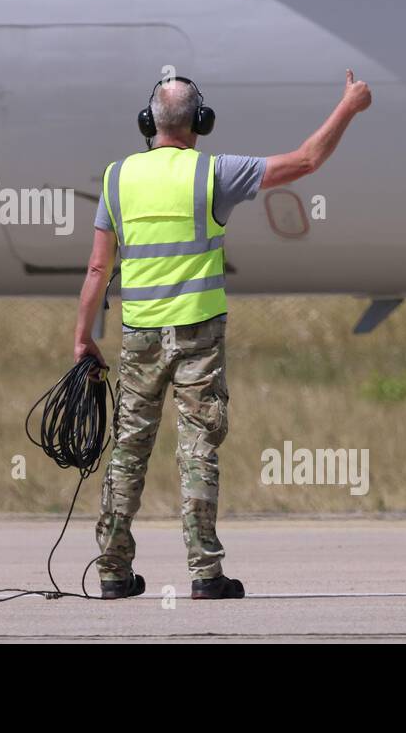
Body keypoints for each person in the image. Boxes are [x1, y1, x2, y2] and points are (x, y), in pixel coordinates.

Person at [73, 72, 371, 599]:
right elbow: (305, 161)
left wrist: (83, 338)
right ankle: (205, 573)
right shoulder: (213, 173)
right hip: (198, 337)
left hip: (139, 337)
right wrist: (349, 106)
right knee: (198, 448)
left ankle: (113, 571)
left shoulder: (117, 177)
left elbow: (98, 270)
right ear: (200, 122)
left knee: (127, 450)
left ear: (149, 123)